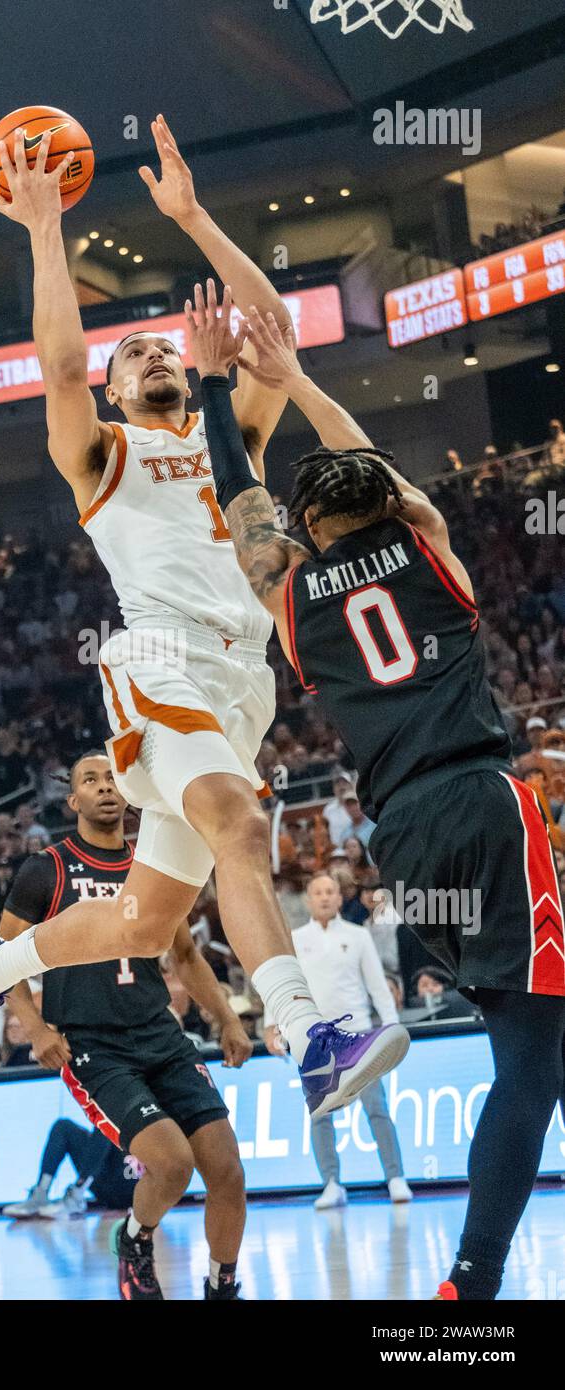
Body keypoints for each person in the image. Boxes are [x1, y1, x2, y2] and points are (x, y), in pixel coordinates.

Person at [0, 119, 408, 1122]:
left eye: (162, 344)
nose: (151, 351)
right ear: (114, 392)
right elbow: (60, 370)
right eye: (132, 352)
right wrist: (44, 230)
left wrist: (192, 218)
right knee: (238, 822)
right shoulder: (103, 456)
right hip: (155, 658)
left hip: (243, 682)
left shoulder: (223, 432)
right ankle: (308, 1036)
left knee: (144, 922)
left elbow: (271, 328)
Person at [182, 289, 565, 1302]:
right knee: (529, 1061)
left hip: (400, 837)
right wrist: (291, 376)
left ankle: (470, 1277)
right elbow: (386, 482)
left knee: (522, 1037)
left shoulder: (290, 595)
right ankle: (468, 1287)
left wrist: (217, 388)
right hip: (482, 798)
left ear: (305, 529)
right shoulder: (432, 549)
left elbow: (237, 501)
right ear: (394, 502)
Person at [0, 750, 254, 1300]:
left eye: (113, 777)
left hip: (160, 1033)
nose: (105, 787)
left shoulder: (152, 867)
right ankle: (136, 1241)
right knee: (171, 1163)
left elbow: (184, 955)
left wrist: (226, 1016)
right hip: (93, 1044)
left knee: (228, 1170)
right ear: (74, 800)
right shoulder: (47, 868)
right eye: (90, 780)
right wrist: (38, 1029)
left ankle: (221, 1287)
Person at [267, 873, 412, 1210]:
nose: (325, 897)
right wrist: (273, 1025)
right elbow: (283, 984)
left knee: (377, 1109)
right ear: (307, 899)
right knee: (320, 1115)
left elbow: (377, 984)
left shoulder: (358, 936)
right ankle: (331, 1183)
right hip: (314, 1040)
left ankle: (395, 1177)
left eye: (330, 891)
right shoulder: (295, 938)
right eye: (318, 892)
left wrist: (391, 1024)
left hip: (358, 1036)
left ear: (338, 897)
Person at [3, 1118, 143, 1220]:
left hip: (133, 1182)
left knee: (106, 1123)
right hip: (104, 1181)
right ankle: (40, 1194)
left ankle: (77, 1194)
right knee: (63, 1126)